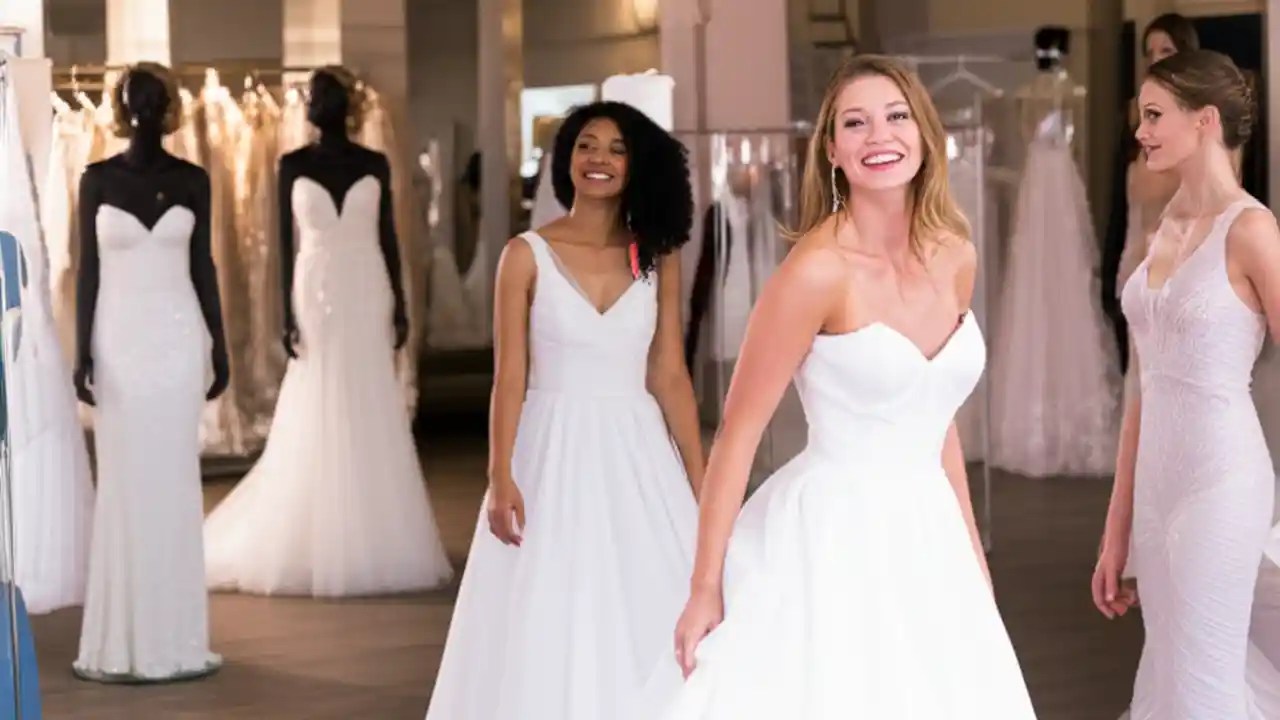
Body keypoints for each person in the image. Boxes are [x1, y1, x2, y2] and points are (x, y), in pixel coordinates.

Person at [652, 54, 1036, 719]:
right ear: (832, 151)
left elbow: (934, 417)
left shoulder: (956, 256)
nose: (879, 136)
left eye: (896, 117)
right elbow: (738, 435)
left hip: (930, 535)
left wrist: (974, 559)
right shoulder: (815, 271)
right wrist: (704, 586)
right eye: (855, 123)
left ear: (924, 133)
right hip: (833, 537)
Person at [425, 100, 704, 720]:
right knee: (550, 603)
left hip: (638, 453)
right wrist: (500, 475)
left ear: (636, 165)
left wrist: (702, 482)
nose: (598, 159)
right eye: (585, 145)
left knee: (649, 597)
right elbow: (509, 377)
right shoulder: (524, 254)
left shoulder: (658, 255)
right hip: (550, 452)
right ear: (565, 159)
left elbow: (670, 374)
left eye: (616, 149)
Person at [1093, 49, 1280, 718]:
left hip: (1223, 481)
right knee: (1171, 670)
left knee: (1204, 678)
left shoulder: (1253, 230)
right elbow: (1145, 387)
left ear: (1205, 120)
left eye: (1153, 115)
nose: (1140, 131)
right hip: (1156, 486)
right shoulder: (1163, 223)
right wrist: (1116, 529)